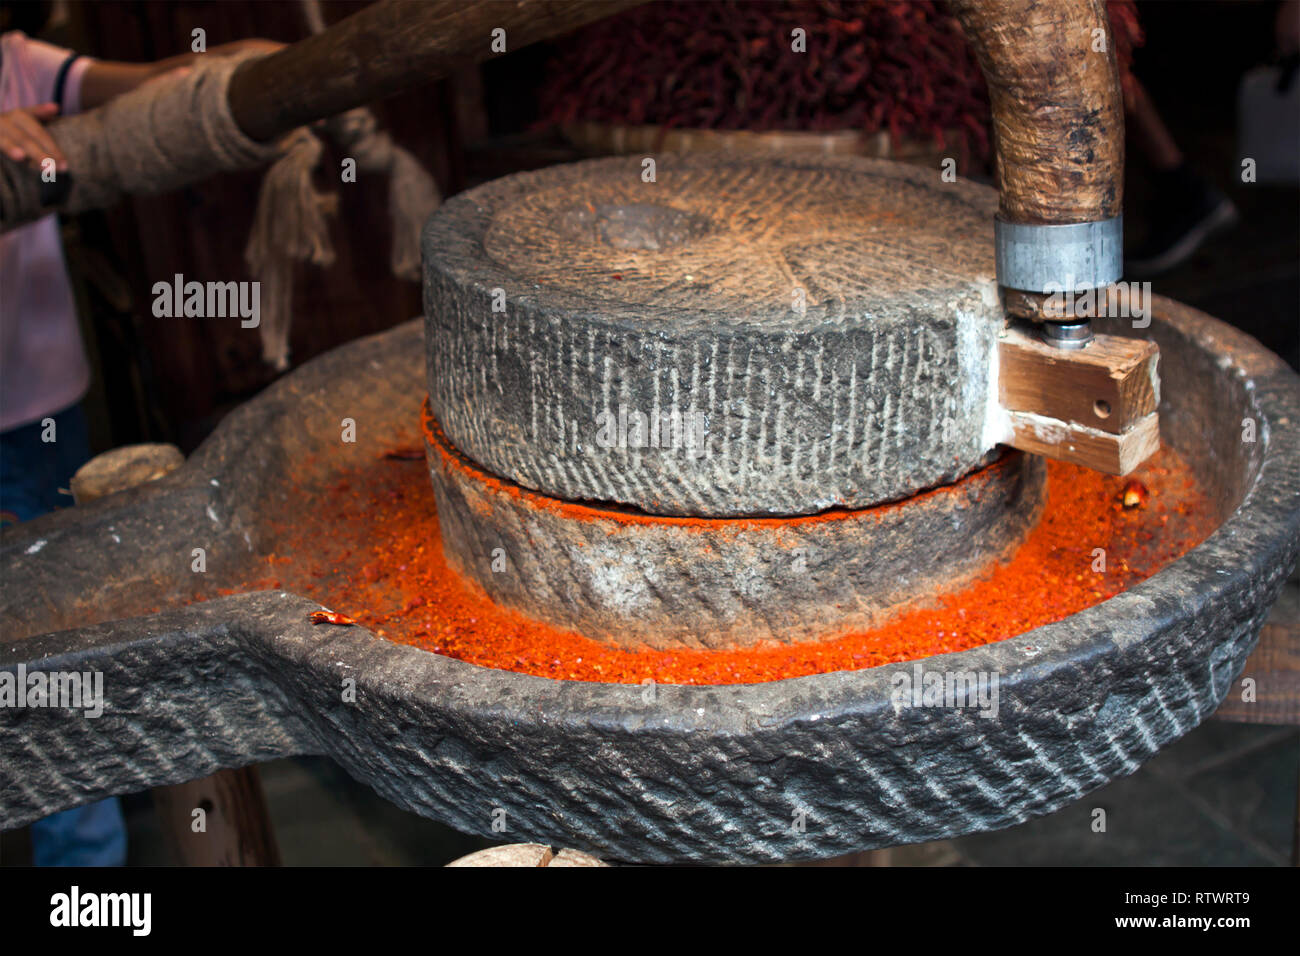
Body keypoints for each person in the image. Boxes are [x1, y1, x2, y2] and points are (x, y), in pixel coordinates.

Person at [0, 4, 281, 865]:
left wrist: (255, 71)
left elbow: (158, 86)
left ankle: (84, 875)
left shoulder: (15, 59)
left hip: (39, 414)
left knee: (54, 664)